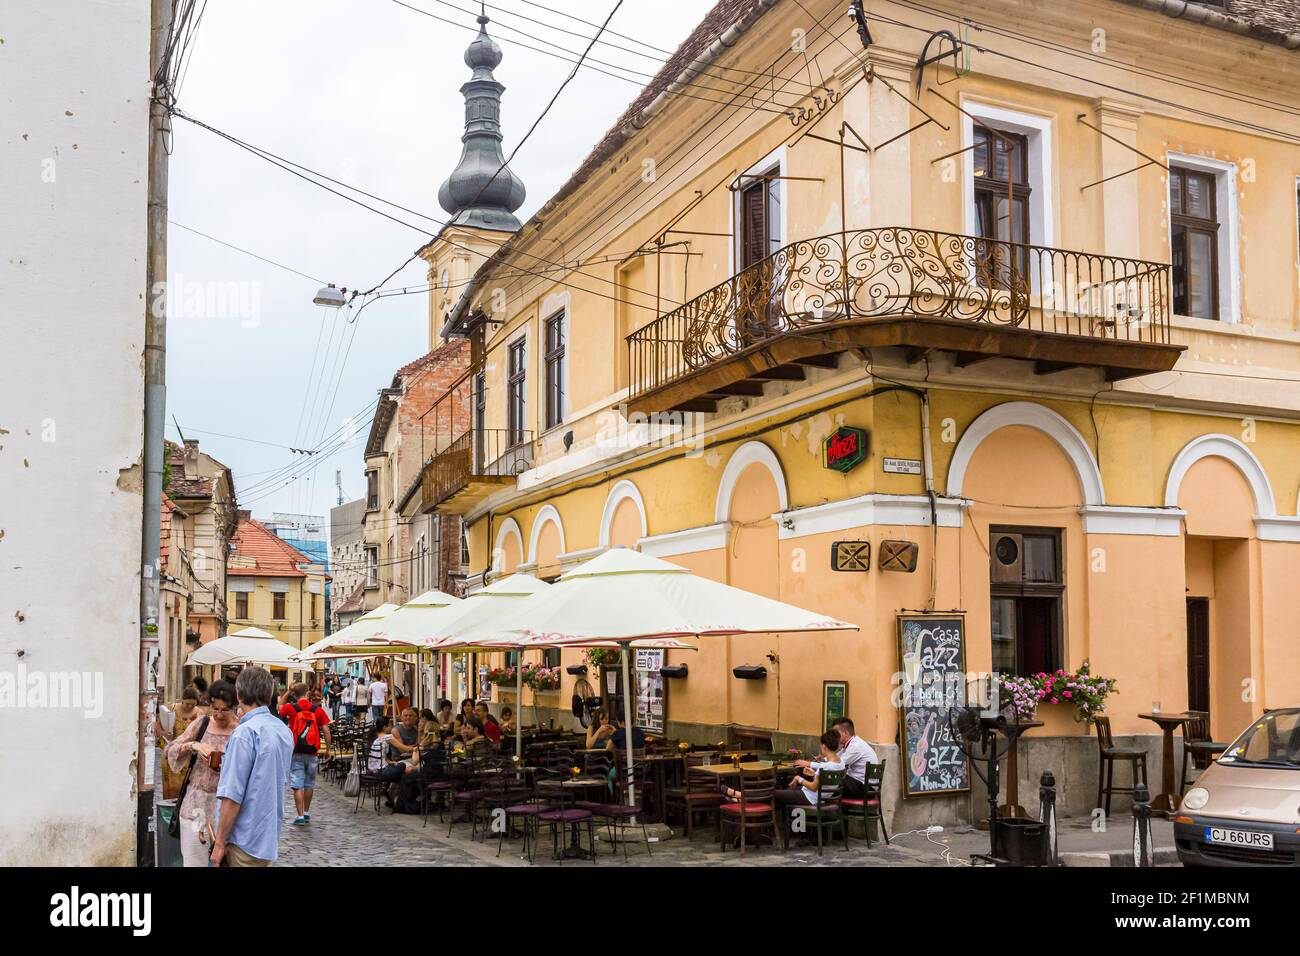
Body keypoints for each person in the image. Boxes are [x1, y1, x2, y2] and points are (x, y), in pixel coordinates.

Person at [212, 666, 293, 867]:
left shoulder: (245, 733)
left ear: (239, 695)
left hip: (243, 839)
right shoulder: (283, 730)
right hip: (267, 838)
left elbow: (232, 794)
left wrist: (220, 841)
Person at [166, 679, 238, 866]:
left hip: (224, 807)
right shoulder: (202, 724)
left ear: (234, 707)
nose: (219, 714)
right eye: (215, 708)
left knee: (222, 862)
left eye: (225, 710)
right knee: (193, 860)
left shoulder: (239, 731)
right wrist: (193, 745)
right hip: (195, 805)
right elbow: (172, 748)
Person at [747, 730, 844, 845]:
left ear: (824, 746)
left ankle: (744, 800)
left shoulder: (825, 767)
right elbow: (824, 778)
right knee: (781, 795)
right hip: (822, 797)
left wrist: (799, 779)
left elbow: (813, 787)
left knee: (772, 793)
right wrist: (814, 774)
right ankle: (775, 829)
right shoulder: (840, 763)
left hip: (810, 797)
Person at [280, 683, 333, 826]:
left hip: (296, 751)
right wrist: (328, 749)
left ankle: (300, 815)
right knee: (309, 784)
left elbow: (279, 707)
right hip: (312, 751)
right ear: (308, 693)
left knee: (297, 785)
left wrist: (287, 692)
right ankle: (307, 812)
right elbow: (326, 730)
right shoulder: (317, 710)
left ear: (294, 694)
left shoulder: (291, 708)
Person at [155, 687, 202, 800]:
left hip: (189, 757)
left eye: (193, 704)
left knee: (187, 789)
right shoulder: (171, 709)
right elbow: (157, 725)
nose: (190, 706)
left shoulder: (199, 713)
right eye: (187, 704)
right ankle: (170, 814)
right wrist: (164, 733)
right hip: (171, 755)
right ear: (182, 700)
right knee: (171, 789)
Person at [366, 715, 412, 807]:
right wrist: (417, 748)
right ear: (384, 727)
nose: (392, 727)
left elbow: (379, 756)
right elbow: (404, 748)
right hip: (381, 771)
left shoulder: (374, 737)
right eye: (390, 725)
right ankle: (399, 799)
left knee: (401, 774)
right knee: (403, 767)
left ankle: (391, 794)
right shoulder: (387, 737)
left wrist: (390, 762)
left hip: (371, 770)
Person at [829, 717, 877, 799]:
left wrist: (811, 764)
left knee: (829, 781)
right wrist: (822, 759)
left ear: (845, 733)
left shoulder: (855, 746)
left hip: (864, 789)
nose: (834, 737)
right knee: (830, 781)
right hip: (859, 786)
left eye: (836, 734)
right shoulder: (850, 744)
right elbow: (836, 758)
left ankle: (822, 806)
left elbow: (837, 764)